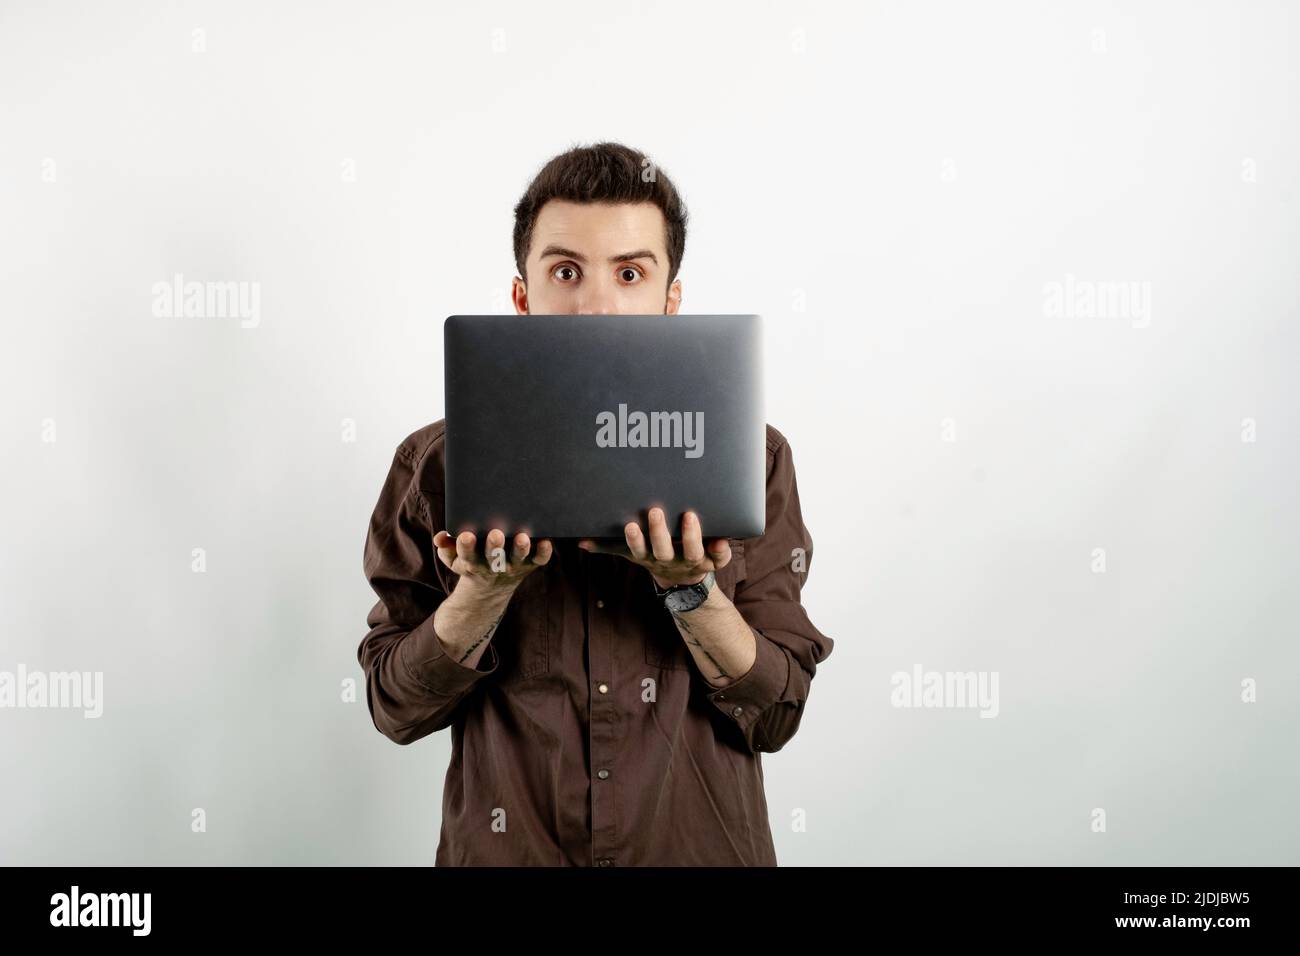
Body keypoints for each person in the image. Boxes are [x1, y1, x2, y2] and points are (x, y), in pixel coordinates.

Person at [358, 141, 834, 866]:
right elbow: (395, 709)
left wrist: (691, 591)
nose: (598, 303)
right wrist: (479, 599)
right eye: (566, 271)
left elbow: (775, 714)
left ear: (671, 302)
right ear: (524, 296)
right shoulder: (434, 467)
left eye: (631, 272)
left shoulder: (752, 459)